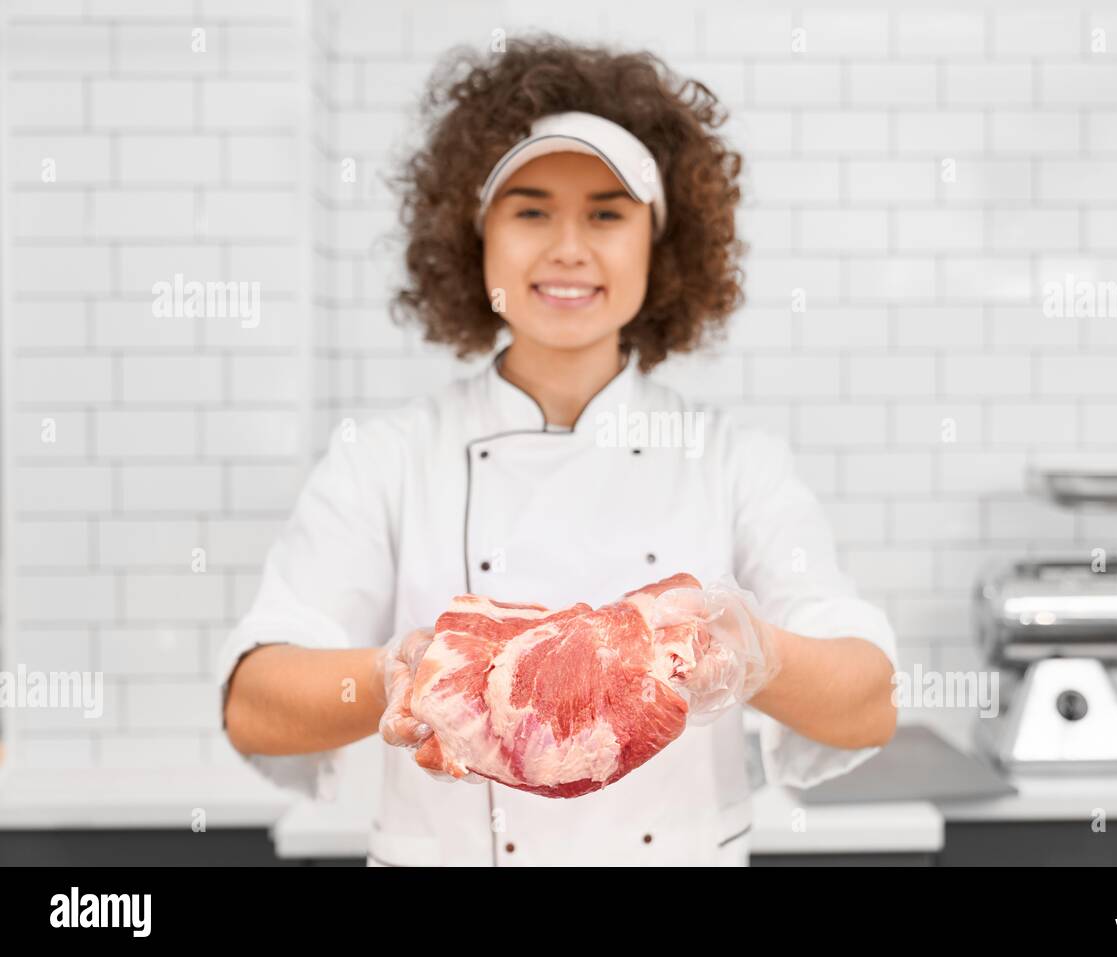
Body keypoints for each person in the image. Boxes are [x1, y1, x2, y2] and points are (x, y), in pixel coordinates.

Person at [218, 35, 898, 867]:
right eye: (531, 209)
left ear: (661, 245)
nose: (569, 248)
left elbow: (868, 703)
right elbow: (253, 702)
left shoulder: (733, 459)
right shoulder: (389, 456)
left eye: (608, 214)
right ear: (475, 239)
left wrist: (759, 652)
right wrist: (397, 673)